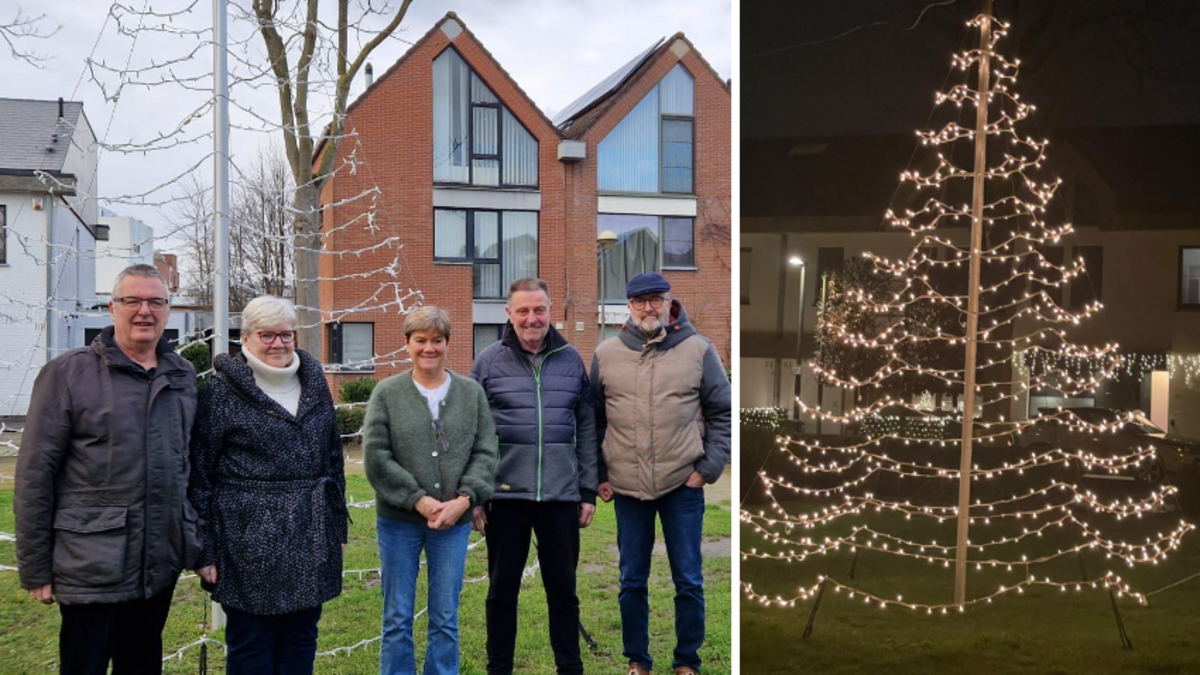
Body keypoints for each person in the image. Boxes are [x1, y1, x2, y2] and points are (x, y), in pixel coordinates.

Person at [14, 263, 200, 674]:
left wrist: (192, 540)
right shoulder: (68, 374)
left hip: (157, 565)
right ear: (112, 308)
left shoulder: (182, 376)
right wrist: (36, 567)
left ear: (168, 310)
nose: (144, 311)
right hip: (90, 566)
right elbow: (35, 475)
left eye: (155, 302)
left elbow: (187, 468)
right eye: (132, 300)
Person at [188, 295, 349, 675]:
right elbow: (200, 474)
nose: (278, 343)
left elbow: (333, 457)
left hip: (310, 531)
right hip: (246, 540)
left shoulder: (314, 383)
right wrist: (204, 551)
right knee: (251, 645)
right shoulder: (220, 392)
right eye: (267, 335)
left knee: (301, 639)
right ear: (245, 338)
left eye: (286, 334)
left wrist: (335, 525)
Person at [590, 273, 732, 675]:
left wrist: (708, 469)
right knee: (631, 580)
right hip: (627, 487)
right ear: (629, 306)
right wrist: (600, 471)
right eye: (640, 301)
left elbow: (722, 413)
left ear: (670, 302)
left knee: (688, 579)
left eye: (656, 299)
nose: (648, 307)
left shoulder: (699, 349)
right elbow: (594, 419)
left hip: (681, 485)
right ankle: (638, 659)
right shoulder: (606, 354)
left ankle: (687, 661)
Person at [470, 278, 599, 675]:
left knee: (563, 591)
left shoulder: (571, 359)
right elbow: (471, 432)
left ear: (550, 311)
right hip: (505, 496)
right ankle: (499, 668)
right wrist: (475, 494)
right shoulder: (488, 362)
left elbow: (587, 428)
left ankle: (570, 668)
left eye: (539, 310)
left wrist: (587, 490)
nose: (532, 318)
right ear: (509, 314)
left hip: (561, 496)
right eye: (523, 311)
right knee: (502, 590)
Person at [362, 306, 497, 675]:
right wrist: (418, 500)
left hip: (453, 522)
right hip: (398, 522)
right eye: (420, 340)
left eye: (437, 340)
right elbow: (376, 456)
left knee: (445, 616)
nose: (429, 348)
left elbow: (486, 450)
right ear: (407, 344)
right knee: (397, 615)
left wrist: (464, 500)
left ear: (447, 343)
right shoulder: (387, 393)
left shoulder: (470, 393)